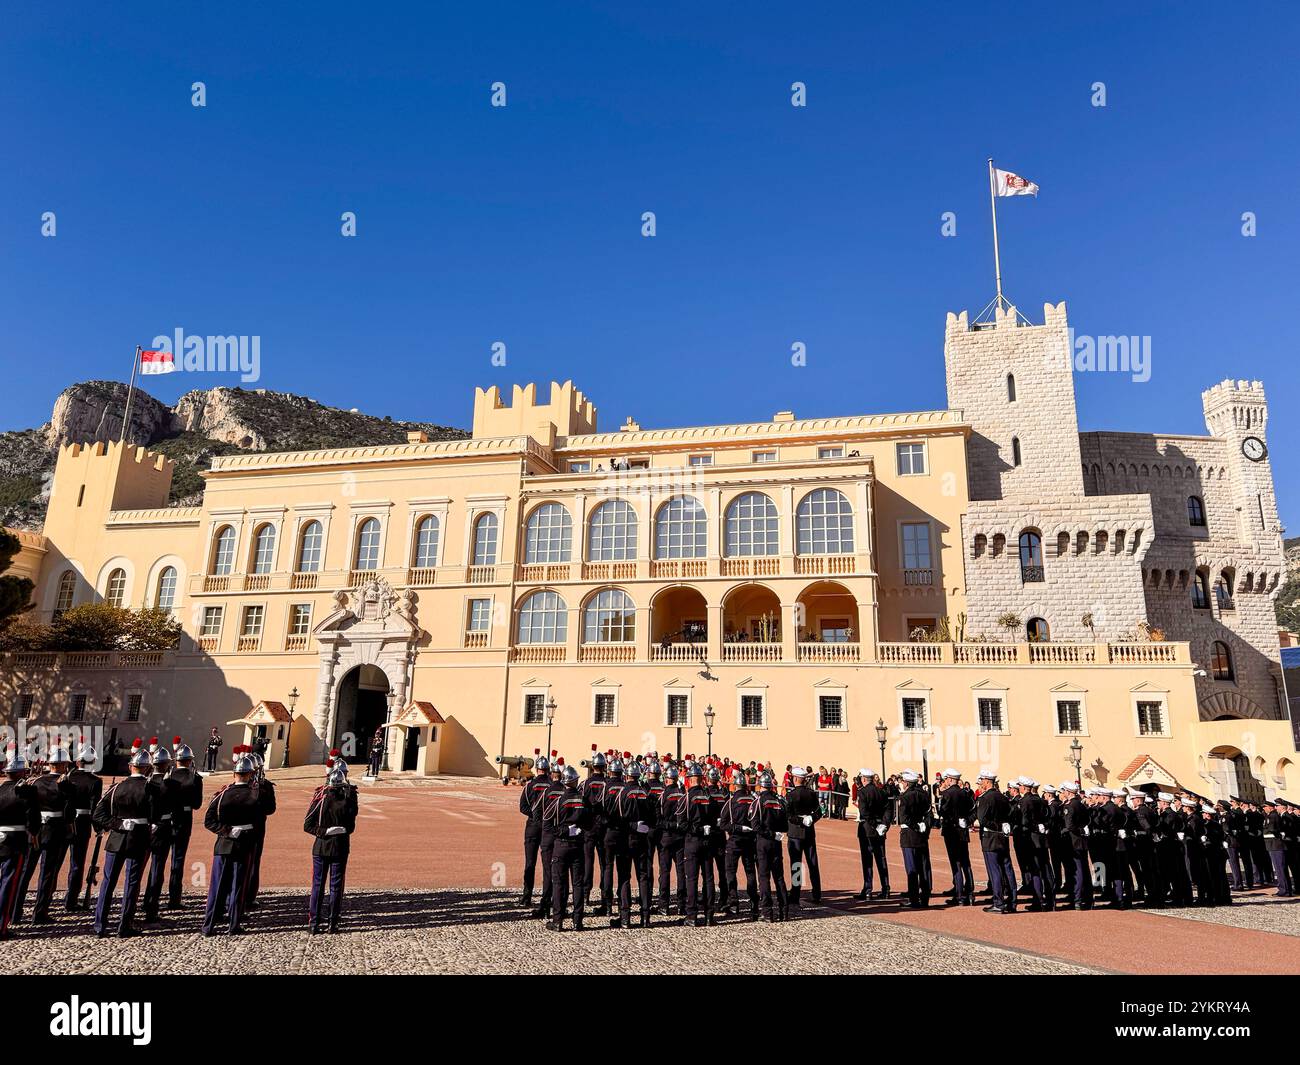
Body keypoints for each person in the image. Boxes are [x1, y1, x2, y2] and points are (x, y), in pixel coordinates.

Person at [91, 741, 156, 938]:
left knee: (108, 883)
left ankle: (100, 925)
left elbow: (98, 815)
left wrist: (118, 824)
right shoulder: (151, 788)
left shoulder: (115, 788)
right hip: (139, 838)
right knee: (132, 883)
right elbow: (157, 814)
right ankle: (124, 925)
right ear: (147, 768)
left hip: (117, 838)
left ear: (130, 767)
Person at [201, 754, 266, 936]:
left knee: (217, 887)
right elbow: (261, 819)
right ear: (250, 774)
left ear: (234, 774)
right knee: (238, 886)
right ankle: (233, 924)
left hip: (223, 844)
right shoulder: (255, 796)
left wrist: (226, 830)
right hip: (243, 844)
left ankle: (209, 925)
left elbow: (209, 821)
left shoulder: (222, 795)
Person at [22, 740, 76, 925]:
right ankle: (39, 912)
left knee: (26, 871)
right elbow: (70, 813)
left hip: (35, 830)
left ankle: (15, 910)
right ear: (61, 765)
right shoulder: (65, 784)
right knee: (47, 873)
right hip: (54, 830)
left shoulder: (36, 782)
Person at [305, 764, 358, 933]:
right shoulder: (348, 800)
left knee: (318, 885)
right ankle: (332, 922)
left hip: (321, 847)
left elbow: (308, 825)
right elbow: (351, 825)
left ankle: (314, 923)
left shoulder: (321, 799)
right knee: (335, 886)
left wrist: (323, 832)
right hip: (339, 847)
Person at [610, 761, 656, 927]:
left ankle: (625, 917)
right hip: (642, 839)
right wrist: (644, 826)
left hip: (625, 839)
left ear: (627, 775)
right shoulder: (645, 792)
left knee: (624, 877)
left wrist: (632, 825)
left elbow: (616, 819)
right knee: (643, 877)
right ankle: (645, 917)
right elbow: (653, 817)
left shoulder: (622, 793)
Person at [0, 749, 39, 940]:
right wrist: (33, 832)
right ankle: (1, 927)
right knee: (8, 884)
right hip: (15, 841)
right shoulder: (27, 791)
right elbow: (34, 819)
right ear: (22, 772)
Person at [547, 764, 591, 931]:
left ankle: (558, 921)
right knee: (578, 884)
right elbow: (590, 822)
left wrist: (564, 830)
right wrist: (579, 831)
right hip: (578, 845)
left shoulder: (559, 801)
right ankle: (577, 921)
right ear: (575, 781)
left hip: (561, 845)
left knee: (559, 883)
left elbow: (547, 824)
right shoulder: (583, 800)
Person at [140, 744, 178, 926]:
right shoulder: (171, 784)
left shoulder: (145, 784)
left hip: (144, 828)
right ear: (165, 765)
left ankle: (137, 903)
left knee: (138, 868)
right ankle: (151, 905)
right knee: (157, 868)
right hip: (162, 826)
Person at [64, 738, 103, 910]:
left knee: (53, 863)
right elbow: (95, 807)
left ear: (77, 761)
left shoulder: (67, 777)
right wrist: (99, 827)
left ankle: (46, 900)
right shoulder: (95, 781)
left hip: (63, 822)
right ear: (92, 761)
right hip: (82, 823)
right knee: (77, 863)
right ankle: (71, 900)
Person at [165, 737, 202, 909]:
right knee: (177, 859)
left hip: (166, 819)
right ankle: (174, 897)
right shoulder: (194, 778)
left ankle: (151, 899)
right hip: (184, 819)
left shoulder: (168, 775)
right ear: (190, 761)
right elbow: (197, 804)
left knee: (158, 861)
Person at [749, 770, 789, 922]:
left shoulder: (758, 802)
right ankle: (784, 911)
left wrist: (770, 833)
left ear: (760, 786)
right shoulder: (780, 802)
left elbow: (755, 825)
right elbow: (785, 825)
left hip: (764, 841)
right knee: (779, 877)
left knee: (764, 878)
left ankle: (767, 912)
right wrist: (776, 833)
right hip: (776, 841)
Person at [975, 770, 1017, 914]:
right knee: (1008, 869)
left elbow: (982, 820)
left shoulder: (985, 798)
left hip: (990, 837)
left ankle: (998, 902)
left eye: (981, 781)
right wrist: (1004, 826)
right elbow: (1011, 815)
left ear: (987, 781)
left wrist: (997, 826)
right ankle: (1012, 901)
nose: (980, 783)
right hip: (1003, 837)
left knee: (995, 871)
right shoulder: (1003, 797)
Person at [720, 768, 759, 919]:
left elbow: (723, 824)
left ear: (735, 786)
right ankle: (754, 902)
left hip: (735, 840)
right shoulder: (753, 802)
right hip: (750, 841)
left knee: (730, 872)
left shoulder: (730, 803)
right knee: (750, 873)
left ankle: (734, 902)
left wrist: (736, 828)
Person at [682, 763, 717, 926]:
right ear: (702, 779)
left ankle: (692, 915)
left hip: (693, 840)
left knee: (692, 879)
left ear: (689, 780)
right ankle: (709, 915)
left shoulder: (687, 797)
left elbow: (682, 824)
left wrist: (697, 828)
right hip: (708, 840)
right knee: (708, 878)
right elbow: (715, 819)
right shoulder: (708, 797)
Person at [517, 751, 551, 910]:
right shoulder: (553, 786)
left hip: (532, 826)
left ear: (537, 769)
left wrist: (534, 815)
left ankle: (526, 896)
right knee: (548, 865)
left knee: (530, 863)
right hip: (548, 827)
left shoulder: (530, 785)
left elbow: (523, 807)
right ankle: (547, 897)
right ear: (548, 769)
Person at [784, 766, 822, 907]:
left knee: (797, 865)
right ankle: (817, 893)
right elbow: (819, 811)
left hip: (795, 833)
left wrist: (801, 820)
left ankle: (795, 894)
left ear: (795, 779)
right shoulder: (811, 794)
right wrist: (811, 818)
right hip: (809, 832)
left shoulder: (791, 795)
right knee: (813, 864)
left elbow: (788, 815)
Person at [579, 750, 610, 914]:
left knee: (587, 862)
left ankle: (585, 895)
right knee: (605, 864)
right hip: (605, 827)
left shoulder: (585, 784)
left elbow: (579, 804)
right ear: (604, 767)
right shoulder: (608, 784)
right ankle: (606, 897)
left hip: (589, 827)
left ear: (592, 767)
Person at [938, 768, 975, 907]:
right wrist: (966, 820)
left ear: (949, 779)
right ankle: (970, 893)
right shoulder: (965, 793)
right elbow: (973, 809)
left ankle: (959, 895)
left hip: (951, 831)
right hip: (962, 830)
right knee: (966, 862)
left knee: (956, 863)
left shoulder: (947, 794)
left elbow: (943, 811)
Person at [896, 769, 932, 909]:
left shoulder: (905, 797)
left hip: (909, 835)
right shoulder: (924, 795)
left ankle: (914, 899)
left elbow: (904, 818)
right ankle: (925, 897)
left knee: (912, 868)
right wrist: (925, 827)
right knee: (924, 868)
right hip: (922, 836)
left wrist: (916, 826)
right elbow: (929, 815)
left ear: (906, 783)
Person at [854, 768, 892, 900]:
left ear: (864, 779)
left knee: (867, 860)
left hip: (867, 829)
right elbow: (888, 810)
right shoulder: (881, 792)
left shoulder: (862, 792)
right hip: (880, 829)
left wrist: (875, 825)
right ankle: (886, 888)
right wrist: (884, 825)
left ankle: (868, 889)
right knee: (881, 859)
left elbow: (864, 812)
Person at [657, 764, 688, 918]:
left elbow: (659, 819)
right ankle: (682, 905)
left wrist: (671, 825)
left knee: (665, 872)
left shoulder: (663, 795)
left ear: (667, 779)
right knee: (681, 872)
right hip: (681, 836)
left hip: (667, 836)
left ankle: (664, 905)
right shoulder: (683, 794)